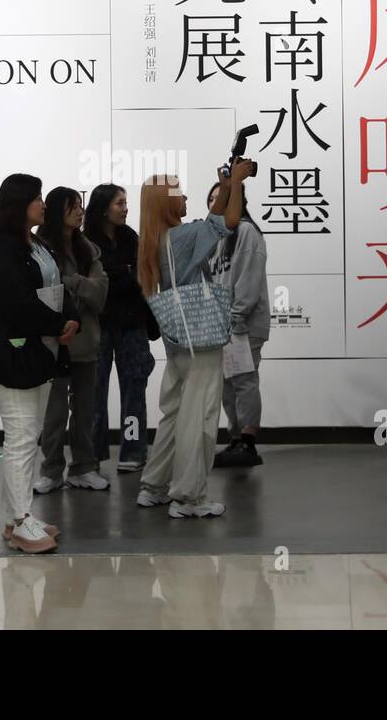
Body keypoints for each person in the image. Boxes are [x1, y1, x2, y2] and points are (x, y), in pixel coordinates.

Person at [136, 160, 253, 518]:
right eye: (179, 192)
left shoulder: (158, 241)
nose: (186, 196)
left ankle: (153, 486)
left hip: (178, 339)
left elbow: (213, 221)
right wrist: (236, 182)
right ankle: (189, 497)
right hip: (201, 341)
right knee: (199, 417)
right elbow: (229, 223)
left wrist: (227, 187)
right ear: (167, 202)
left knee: (173, 414)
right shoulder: (184, 237)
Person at [0, 173, 79, 554]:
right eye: (37, 198)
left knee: (27, 438)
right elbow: (17, 303)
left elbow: (52, 288)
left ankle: (14, 516)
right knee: (20, 439)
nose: (43, 204)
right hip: (13, 353)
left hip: (41, 350)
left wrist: (65, 321)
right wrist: (56, 323)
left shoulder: (32, 242)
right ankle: (21, 521)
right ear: (20, 204)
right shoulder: (3, 248)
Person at [35, 186, 110, 493]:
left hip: (86, 342)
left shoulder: (88, 248)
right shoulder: (39, 247)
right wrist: (82, 287)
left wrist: (71, 281)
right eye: (72, 206)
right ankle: (51, 471)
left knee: (85, 411)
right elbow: (41, 291)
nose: (80, 211)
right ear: (56, 210)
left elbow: (100, 293)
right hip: (53, 343)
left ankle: (84, 467)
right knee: (53, 414)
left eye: (80, 205)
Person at [84, 183, 158, 473]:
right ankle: (92, 456)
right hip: (97, 326)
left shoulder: (131, 237)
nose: (126, 208)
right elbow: (96, 283)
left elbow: (143, 276)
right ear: (103, 208)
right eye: (120, 203)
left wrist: (118, 276)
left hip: (132, 325)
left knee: (134, 391)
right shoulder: (85, 240)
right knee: (94, 394)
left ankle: (133, 451)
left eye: (126, 202)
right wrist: (124, 274)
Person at [205, 181, 269, 468]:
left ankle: (247, 441)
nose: (215, 204)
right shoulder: (217, 240)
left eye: (222, 199)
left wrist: (236, 317)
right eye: (212, 200)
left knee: (243, 380)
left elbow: (248, 279)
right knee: (228, 384)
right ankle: (235, 439)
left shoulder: (245, 232)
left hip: (241, 323)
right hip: (222, 323)